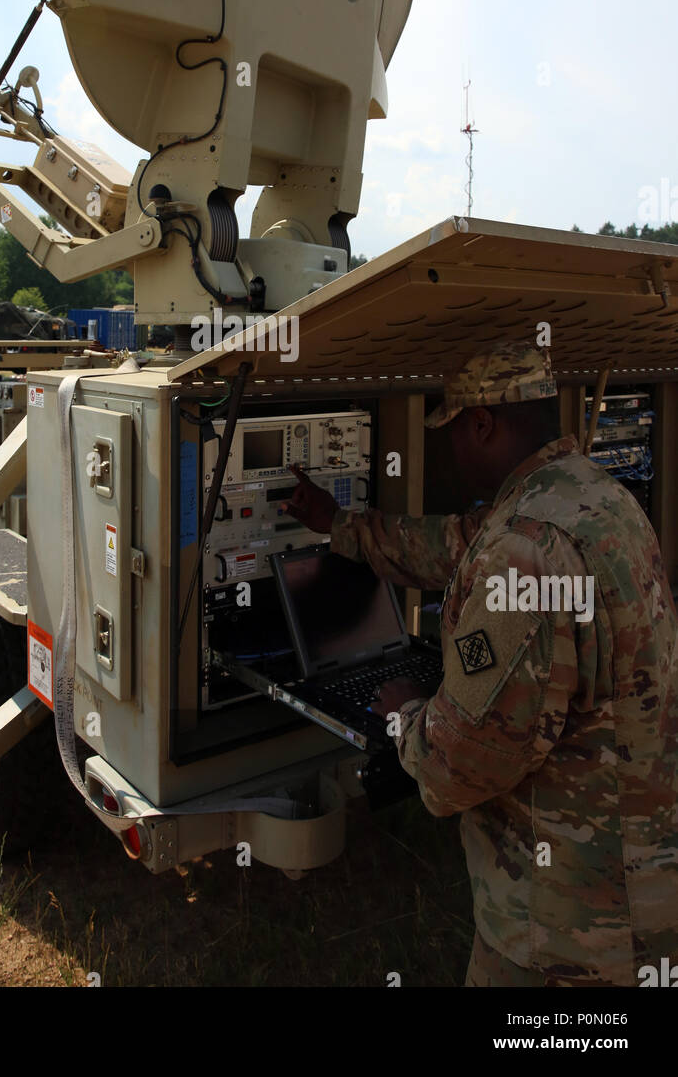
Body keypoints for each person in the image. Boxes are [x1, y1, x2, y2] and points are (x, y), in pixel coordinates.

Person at [284, 339, 678, 987]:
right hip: (639, 884)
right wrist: (339, 525)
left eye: (452, 434)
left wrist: (403, 714)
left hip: (566, 931)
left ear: (483, 424)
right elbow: (454, 547)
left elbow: (452, 769)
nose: (450, 453)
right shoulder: (596, 500)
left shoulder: (523, 549)